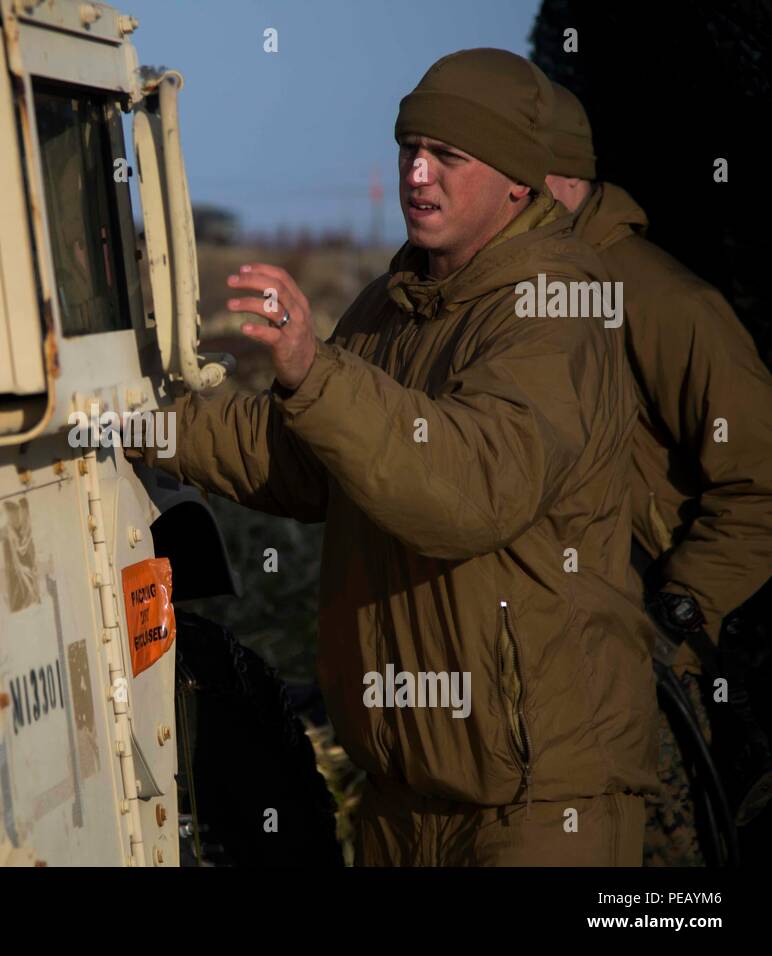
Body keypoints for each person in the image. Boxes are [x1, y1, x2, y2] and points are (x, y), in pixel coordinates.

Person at [132, 48, 657, 865]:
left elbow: (469, 490)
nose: (418, 174)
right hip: (400, 800)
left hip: (533, 807)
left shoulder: (558, 305)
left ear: (518, 181)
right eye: (409, 149)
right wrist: (138, 418)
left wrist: (316, 370)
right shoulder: (390, 303)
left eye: (448, 156)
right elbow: (305, 460)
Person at [544, 82, 772, 864]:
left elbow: (762, 483)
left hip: (650, 686)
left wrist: (676, 611)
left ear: (556, 177)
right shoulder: (504, 296)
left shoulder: (662, 300)